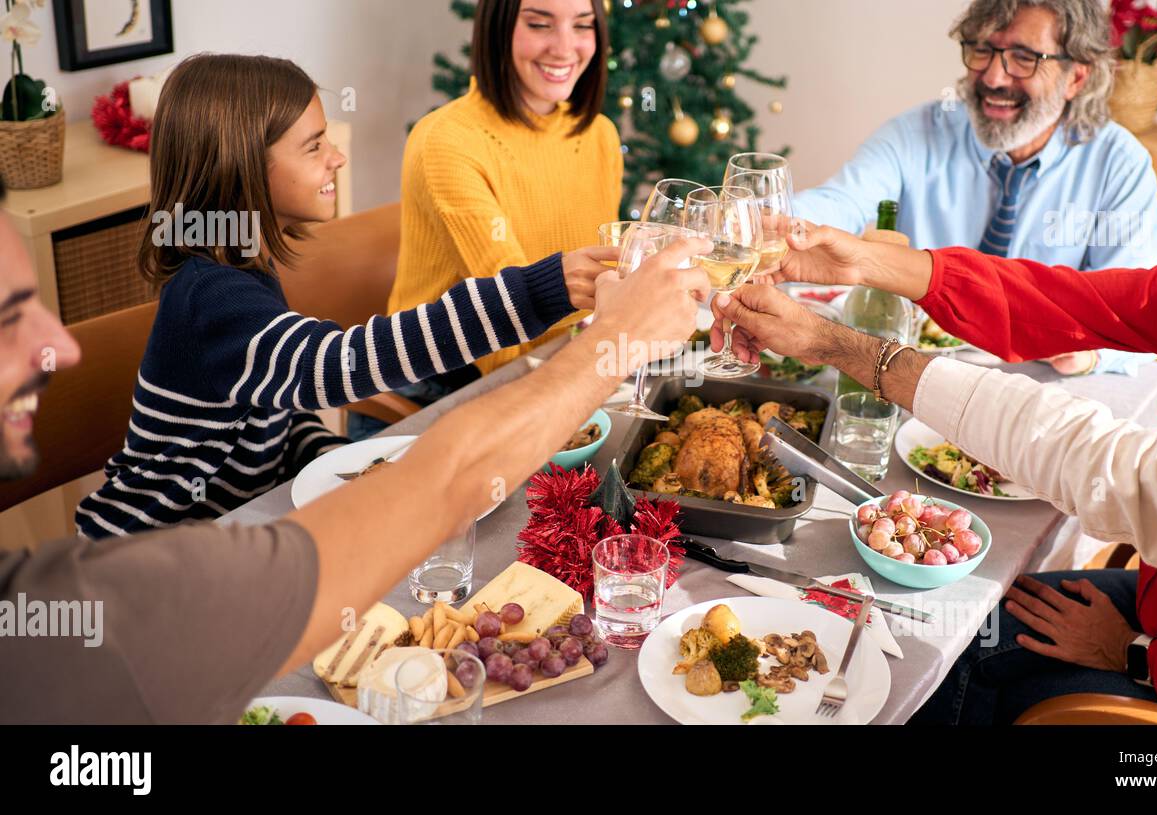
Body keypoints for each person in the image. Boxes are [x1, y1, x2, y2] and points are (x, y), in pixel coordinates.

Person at [0, 170, 712, 723]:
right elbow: (426, 450)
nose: (60, 345)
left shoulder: (247, 270)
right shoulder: (64, 624)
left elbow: (272, 419)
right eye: (7, 320)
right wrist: (611, 344)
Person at [762, 78, 1157, 712]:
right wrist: (865, 263)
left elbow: (1107, 465)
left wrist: (1130, 650)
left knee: (944, 669)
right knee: (950, 624)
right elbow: (1057, 299)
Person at [74, 54, 615, 540]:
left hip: (237, 528)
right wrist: (538, 291)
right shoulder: (209, 294)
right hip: (145, 556)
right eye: (314, 146)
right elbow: (334, 366)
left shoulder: (244, 269)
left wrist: (337, 462)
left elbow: (271, 412)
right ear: (239, 168)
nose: (336, 158)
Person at [795, 0, 1157, 377]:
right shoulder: (917, 132)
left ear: (1076, 78)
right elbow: (840, 201)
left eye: (1024, 57)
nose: (993, 77)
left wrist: (1091, 356)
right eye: (983, 49)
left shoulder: (1117, 164)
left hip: (1037, 388)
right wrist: (774, 222)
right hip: (914, 372)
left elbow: (1145, 310)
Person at [381, 0, 622, 436]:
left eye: (582, 25)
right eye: (538, 24)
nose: (565, 48)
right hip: (445, 389)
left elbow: (604, 265)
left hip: (550, 364)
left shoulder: (599, 134)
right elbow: (508, 306)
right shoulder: (447, 140)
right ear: (497, 30)